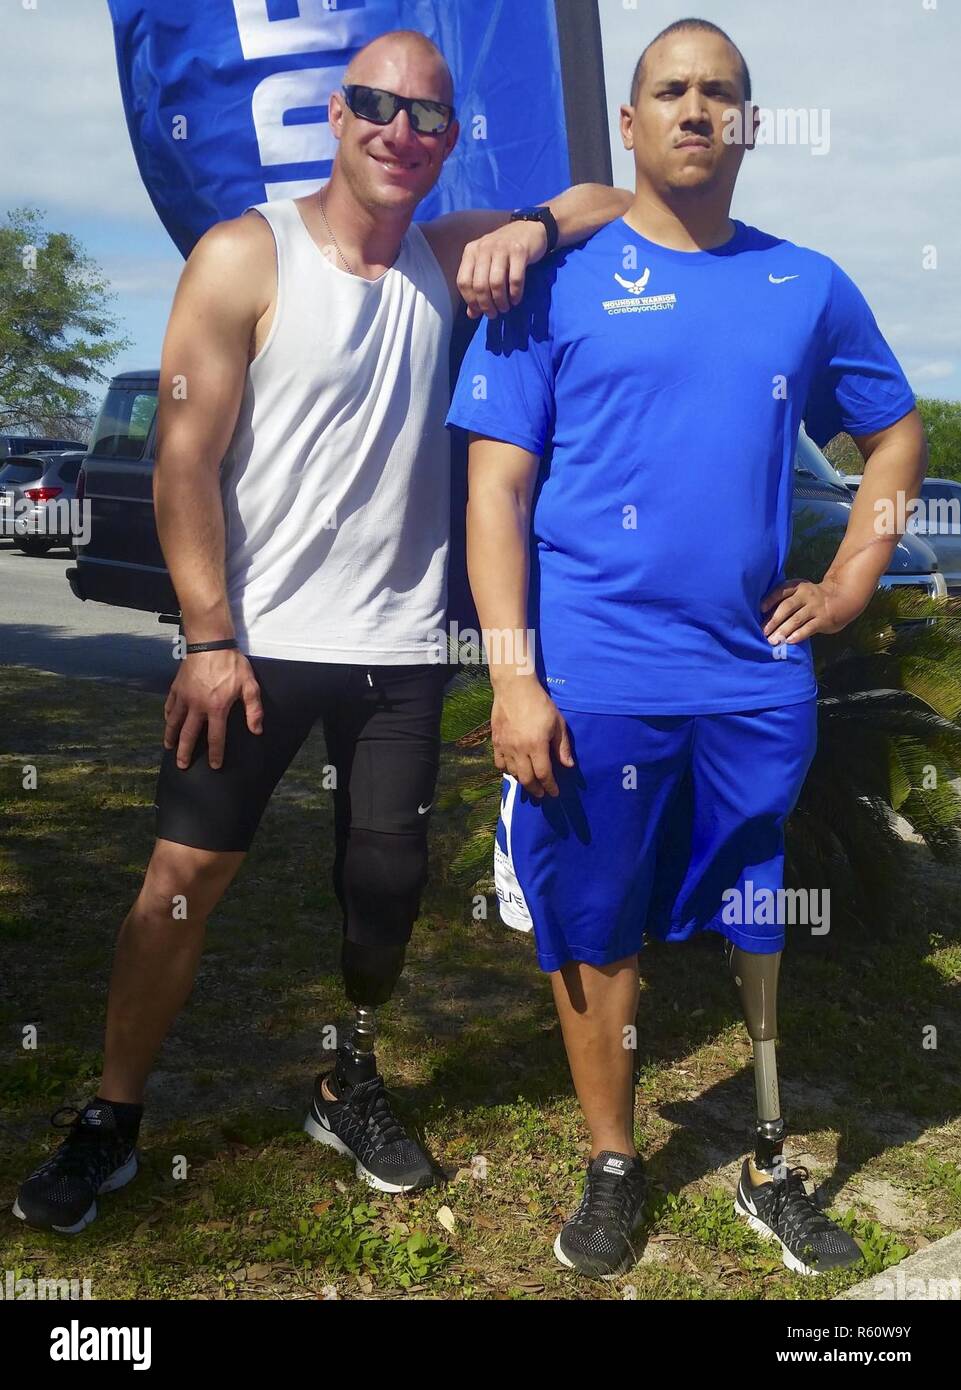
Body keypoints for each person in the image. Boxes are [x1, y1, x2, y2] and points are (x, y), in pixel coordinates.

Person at [13, 28, 631, 1235]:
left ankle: (347, 1076)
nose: (401, 133)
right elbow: (182, 455)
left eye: (429, 119)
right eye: (376, 108)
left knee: (385, 885)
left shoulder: (448, 257)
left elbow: (609, 197)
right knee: (181, 884)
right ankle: (111, 1119)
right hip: (250, 645)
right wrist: (206, 637)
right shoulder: (245, 256)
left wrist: (534, 228)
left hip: (398, 652)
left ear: (448, 143)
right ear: (336, 119)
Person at [446, 17, 926, 1279]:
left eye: (721, 93)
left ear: (750, 124)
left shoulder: (804, 284)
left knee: (755, 906)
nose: (696, 110)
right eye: (670, 90)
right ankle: (614, 1162)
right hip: (595, 684)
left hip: (751, 681)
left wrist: (851, 575)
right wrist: (511, 674)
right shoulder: (550, 282)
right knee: (592, 920)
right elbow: (492, 494)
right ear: (631, 123)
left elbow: (894, 434)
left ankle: (768, 1156)